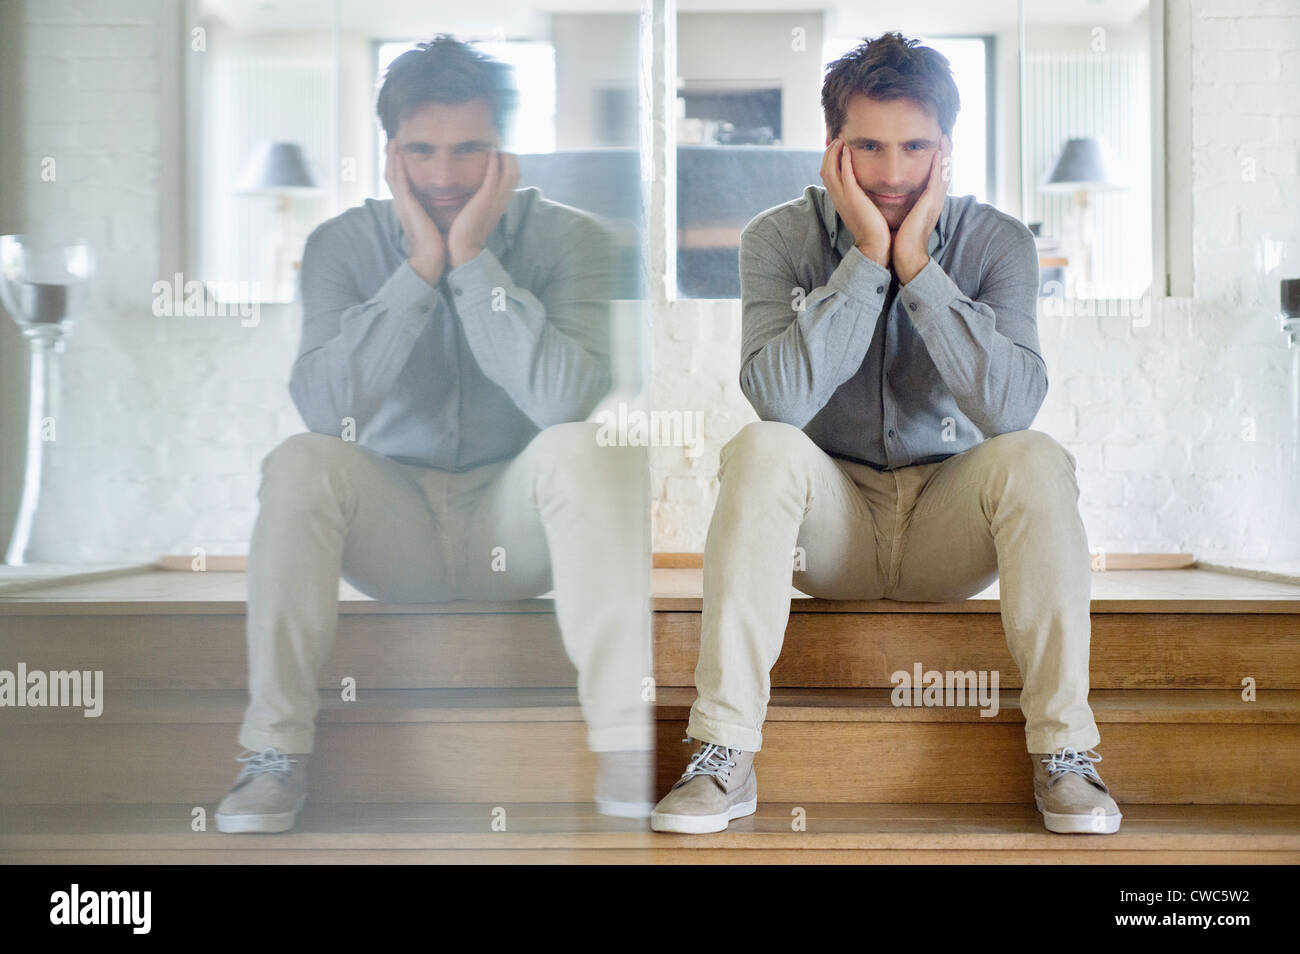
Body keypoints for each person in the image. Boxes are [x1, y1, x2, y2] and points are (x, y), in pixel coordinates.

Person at [650, 31, 1120, 836]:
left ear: (947, 148)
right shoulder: (776, 239)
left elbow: (1011, 410)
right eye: (868, 146)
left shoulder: (998, 241)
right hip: (832, 533)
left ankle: (1065, 755)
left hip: (949, 524)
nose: (894, 173)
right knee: (759, 448)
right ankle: (723, 752)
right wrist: (869, 258)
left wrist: (921, 271)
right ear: (833, 147)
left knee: (1036, 458)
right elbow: (781, 402)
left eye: (914, 147)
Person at [216, 36, 653, 834]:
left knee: (595, 446)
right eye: (422, 150)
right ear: (390, 152)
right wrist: (422, 265)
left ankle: (627, 743)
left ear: (504, 150)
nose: (446, 177)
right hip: (397, 529)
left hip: (512, 524)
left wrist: (475, 261)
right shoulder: (340, 247)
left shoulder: (576, 240)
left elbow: (565, 403)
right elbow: (326, 408)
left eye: (469, 151)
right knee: (299, 461)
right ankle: (274, 753)